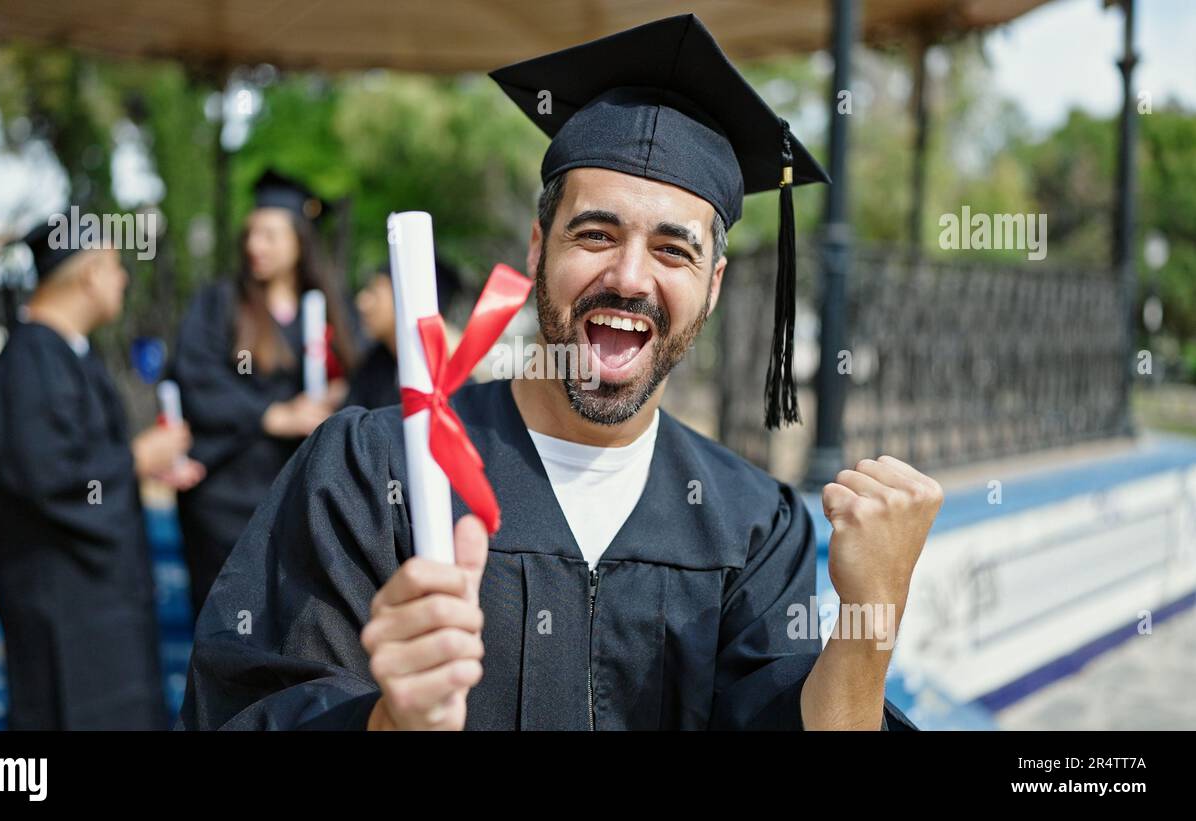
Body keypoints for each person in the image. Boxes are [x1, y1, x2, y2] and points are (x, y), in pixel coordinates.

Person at [179, 15, 943, 731]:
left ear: (711, 286)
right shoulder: (372, 473)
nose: (629, 276)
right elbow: (245, 704)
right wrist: (387, 719)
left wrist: (867, 626)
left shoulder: (752, 526)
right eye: (596, 233)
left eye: (673, 250)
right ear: (538, 250)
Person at [0, 214, 203, 730]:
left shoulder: (67, 357)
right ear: (90, 272)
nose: (122, 279)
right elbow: (47, 478)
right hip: (65, 624)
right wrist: (136, 460)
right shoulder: (31, 363)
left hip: (100, 617)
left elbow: (80, 467)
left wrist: (136, 472)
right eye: (116, 266)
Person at [171, 170, 357, 618]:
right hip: (227, 493)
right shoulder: (221, 302)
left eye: (270, 235)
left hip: (300, 487)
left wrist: (336, 395)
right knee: (229, 615)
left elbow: (360, 375)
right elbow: (194, 380)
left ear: (299, 240)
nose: (257, 245)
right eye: (252, 233)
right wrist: (271, 414)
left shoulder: (331, 306)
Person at [345, 257, 465, 410]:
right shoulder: (374, 364)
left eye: (374, 292)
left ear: (406, 299)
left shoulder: (453, 374)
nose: (361, 302)